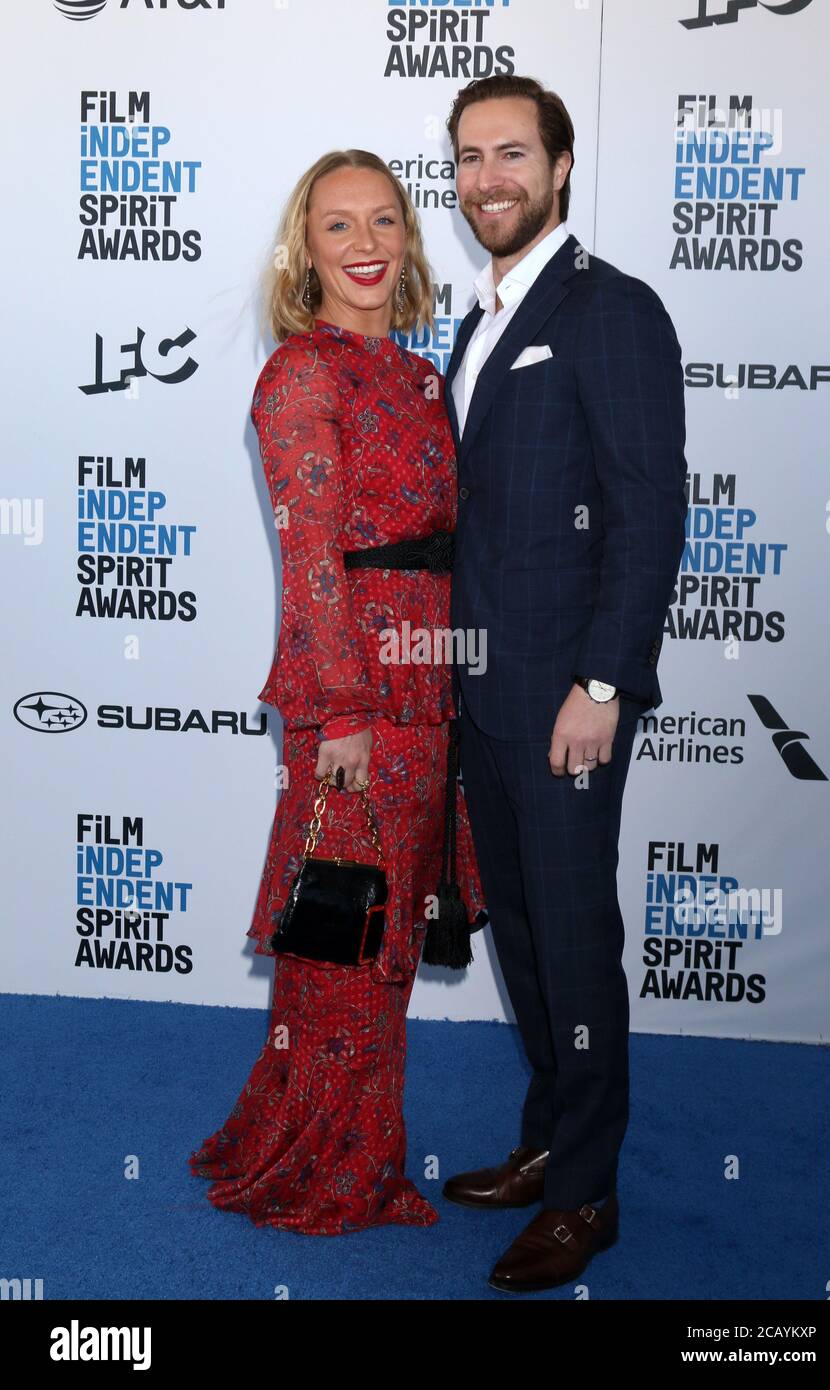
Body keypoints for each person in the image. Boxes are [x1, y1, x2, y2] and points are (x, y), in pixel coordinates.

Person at [188, 150, 486, 1236]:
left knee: (383, 939)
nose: (364, 246)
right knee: (346, 944)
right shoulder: (300, 375)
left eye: (383, 222)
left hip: (431, 681)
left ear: (408, 240)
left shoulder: (414, 376)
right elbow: (310, 554)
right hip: (355, 695)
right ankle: (324, 1164)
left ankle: (315, 1135)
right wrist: (344, 710)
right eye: (337, 228)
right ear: (302, 251)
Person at [440, 76, 688, 1292]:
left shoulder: (611, 310)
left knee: (575, 936)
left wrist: (602, 681)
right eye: (468, 158)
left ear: (560, 165)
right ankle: (545, 1139)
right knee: (526, 935)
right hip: (481, 692)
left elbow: (648, 513)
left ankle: (585, 1195)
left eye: (510, 155)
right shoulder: (478, 319)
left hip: (566, 698)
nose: (486, 178)